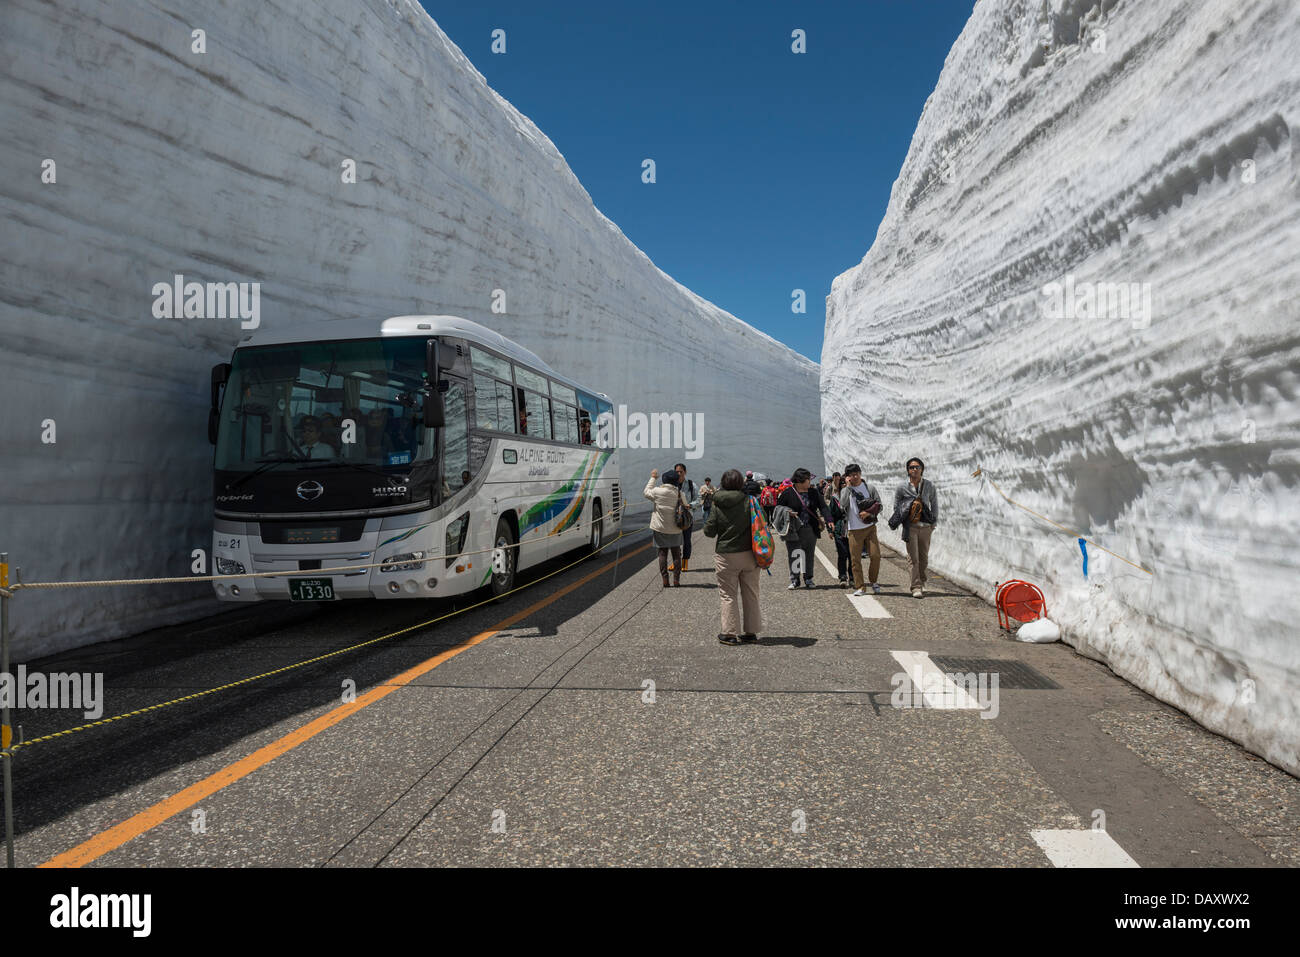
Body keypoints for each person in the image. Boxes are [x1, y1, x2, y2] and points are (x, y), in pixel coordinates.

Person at [703, 469, 762, 645]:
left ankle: (729, 633)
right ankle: (751, 632)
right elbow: (762, 521)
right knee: (751, 592)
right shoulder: (749, 501)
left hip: (726, 554)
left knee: (728, 594)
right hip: (750, 554)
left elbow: (709, 531)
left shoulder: (717, 503)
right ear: (740, 483)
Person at [889, 457, 939, 598]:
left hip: (926, 527)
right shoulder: (901, 487)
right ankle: (916, 587)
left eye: (917, 467)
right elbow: (896, 506)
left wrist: (933, 523)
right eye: (911, 467)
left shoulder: (929, 485)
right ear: (908, 470)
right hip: (910, 527)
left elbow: (934, 504)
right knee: (913, 558)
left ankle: (922, 580)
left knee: (924, 558)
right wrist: (904, 519)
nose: (914, 469)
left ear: (922, 469)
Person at [776, 467, 831, 589]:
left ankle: (808, 578)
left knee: (808, 554)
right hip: (793, 529)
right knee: (795, 554)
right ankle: (795, 579)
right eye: (808, 479)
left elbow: (823, 507)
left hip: (810, 528)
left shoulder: (813, 492)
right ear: (800, 481)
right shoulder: (788, 493)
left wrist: (829, 520)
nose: (809, 482)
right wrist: (787, 512)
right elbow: (778, 508)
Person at [840, 463, 883, 595]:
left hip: (870, 527)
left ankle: (873, 581)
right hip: (854, 529)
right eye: (852, 475)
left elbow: (879, 506)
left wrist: (869, 514)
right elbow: (842, 504)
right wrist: (847, 488)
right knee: (855, 559)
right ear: (847, 477)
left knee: (875, 556)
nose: (855, 476)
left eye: (857, 473)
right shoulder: (845, 491)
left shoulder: (869, 488)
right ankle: (860, 587)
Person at [644, 468, 686, 587]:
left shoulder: (657, 491)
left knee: (662, 554)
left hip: (660, 528)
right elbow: (686, 508)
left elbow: (646, 492)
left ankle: (665, 580)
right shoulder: (679, 493)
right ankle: (676, 580)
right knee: (677, 554)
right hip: (676, 529)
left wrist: (653, 477)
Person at [674, 463, 699, 571]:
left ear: (685, 472)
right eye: (677, 472)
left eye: (681, 472)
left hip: (687, 518)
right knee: (675, 541)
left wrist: (691, 505)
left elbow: (699, 500)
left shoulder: (691, 484)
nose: (679, 474)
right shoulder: (672, 485)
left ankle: (685, 562)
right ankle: (677, 563)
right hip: (674, 517)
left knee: (686, 540)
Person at [828, 473, 851, 586]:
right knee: (842, 553)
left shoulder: (854, 496)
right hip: (839, 528)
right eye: (841, 483)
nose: (843, 485)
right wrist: (830, 530)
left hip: (852, 528)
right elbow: (830, 515)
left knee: (852, 555)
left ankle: (852, 577)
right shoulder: (835, 498)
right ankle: (842, 577)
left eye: (845, 483)